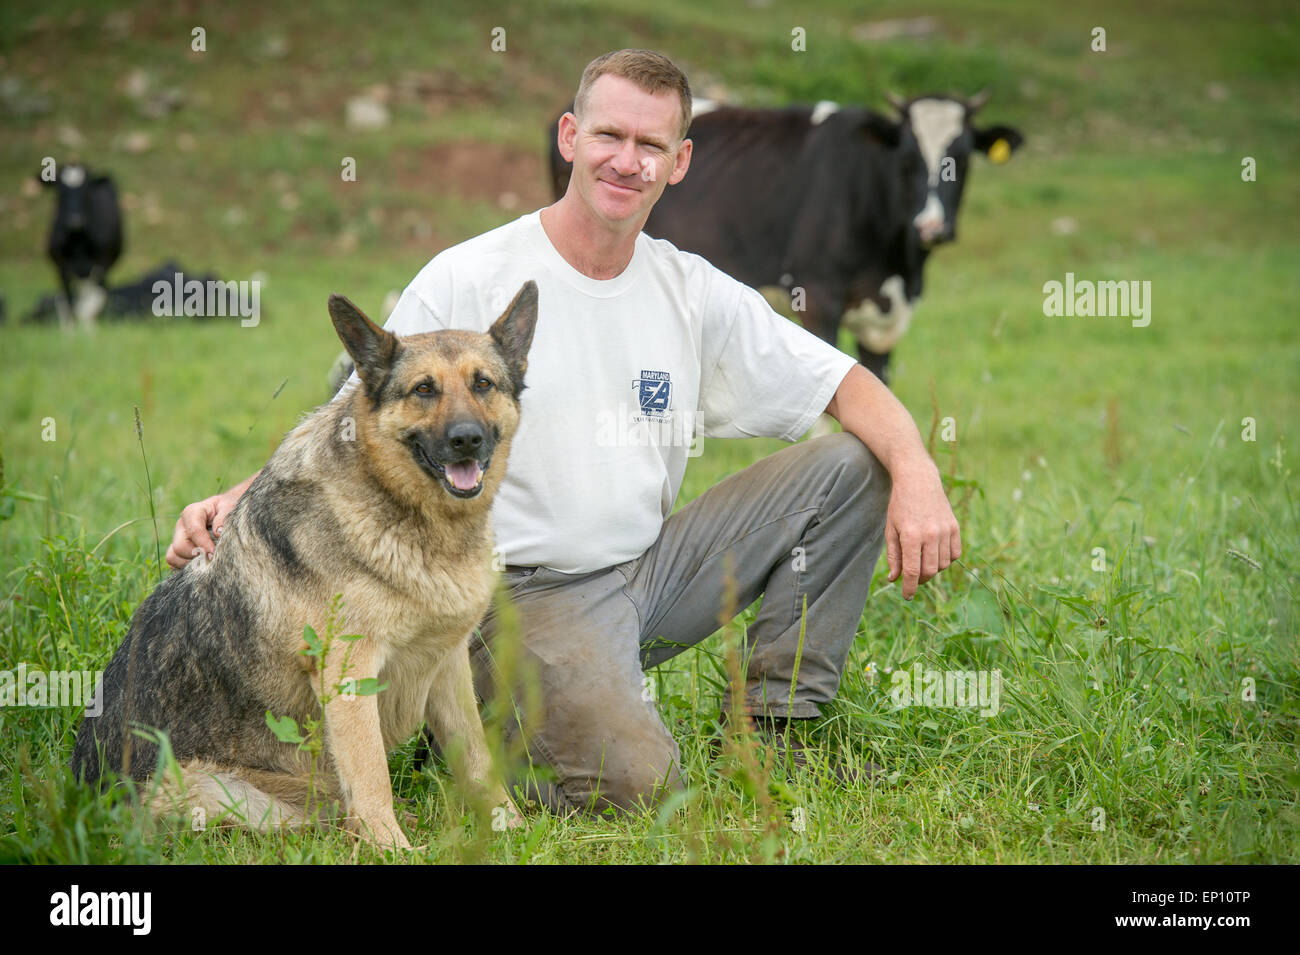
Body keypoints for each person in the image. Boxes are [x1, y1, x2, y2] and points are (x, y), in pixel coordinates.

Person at [166, 49, 961, 814]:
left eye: (651, 145)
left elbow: (847, 380)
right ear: (570, 138)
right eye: (610, 136)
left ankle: (778, 730)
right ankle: (485, 731)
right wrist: (239, 500)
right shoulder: (469, 273)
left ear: (680, 162)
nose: (627, 161)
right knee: (642, 784)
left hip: (653, 569)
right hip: (516, 593)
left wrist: (918, 470)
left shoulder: (689, 287)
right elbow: (354, 415)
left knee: (860, 464)